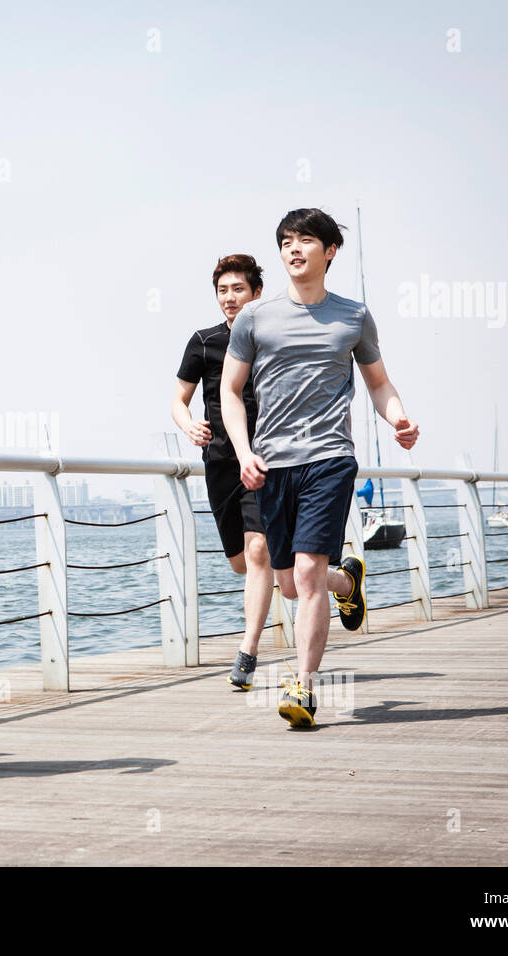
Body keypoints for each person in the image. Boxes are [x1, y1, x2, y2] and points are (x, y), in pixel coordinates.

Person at [221, 208, 418, 728]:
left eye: (306, 240)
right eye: (286, 240)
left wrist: (398, 417)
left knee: (306, 574)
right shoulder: (255, 318)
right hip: (271, 463)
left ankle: (302, 689)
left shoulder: (352, 316)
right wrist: (244, 453)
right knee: (288, 584)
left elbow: (378, 382)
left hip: (329, 458)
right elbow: (229, 391)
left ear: (330, 251)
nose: (294, 248)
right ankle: (348, 584)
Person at [171, 253, 273, 692]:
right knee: (242, 564)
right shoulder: (203, 342)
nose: (230, 298)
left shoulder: (273, 338)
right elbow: (178, 399)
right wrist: (187, 423)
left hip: (265, 459)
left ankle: (247, 651)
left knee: (258, 554)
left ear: (257, 294)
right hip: (219, 464)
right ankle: (343, 581)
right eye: (223, 290)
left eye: (238, 289)